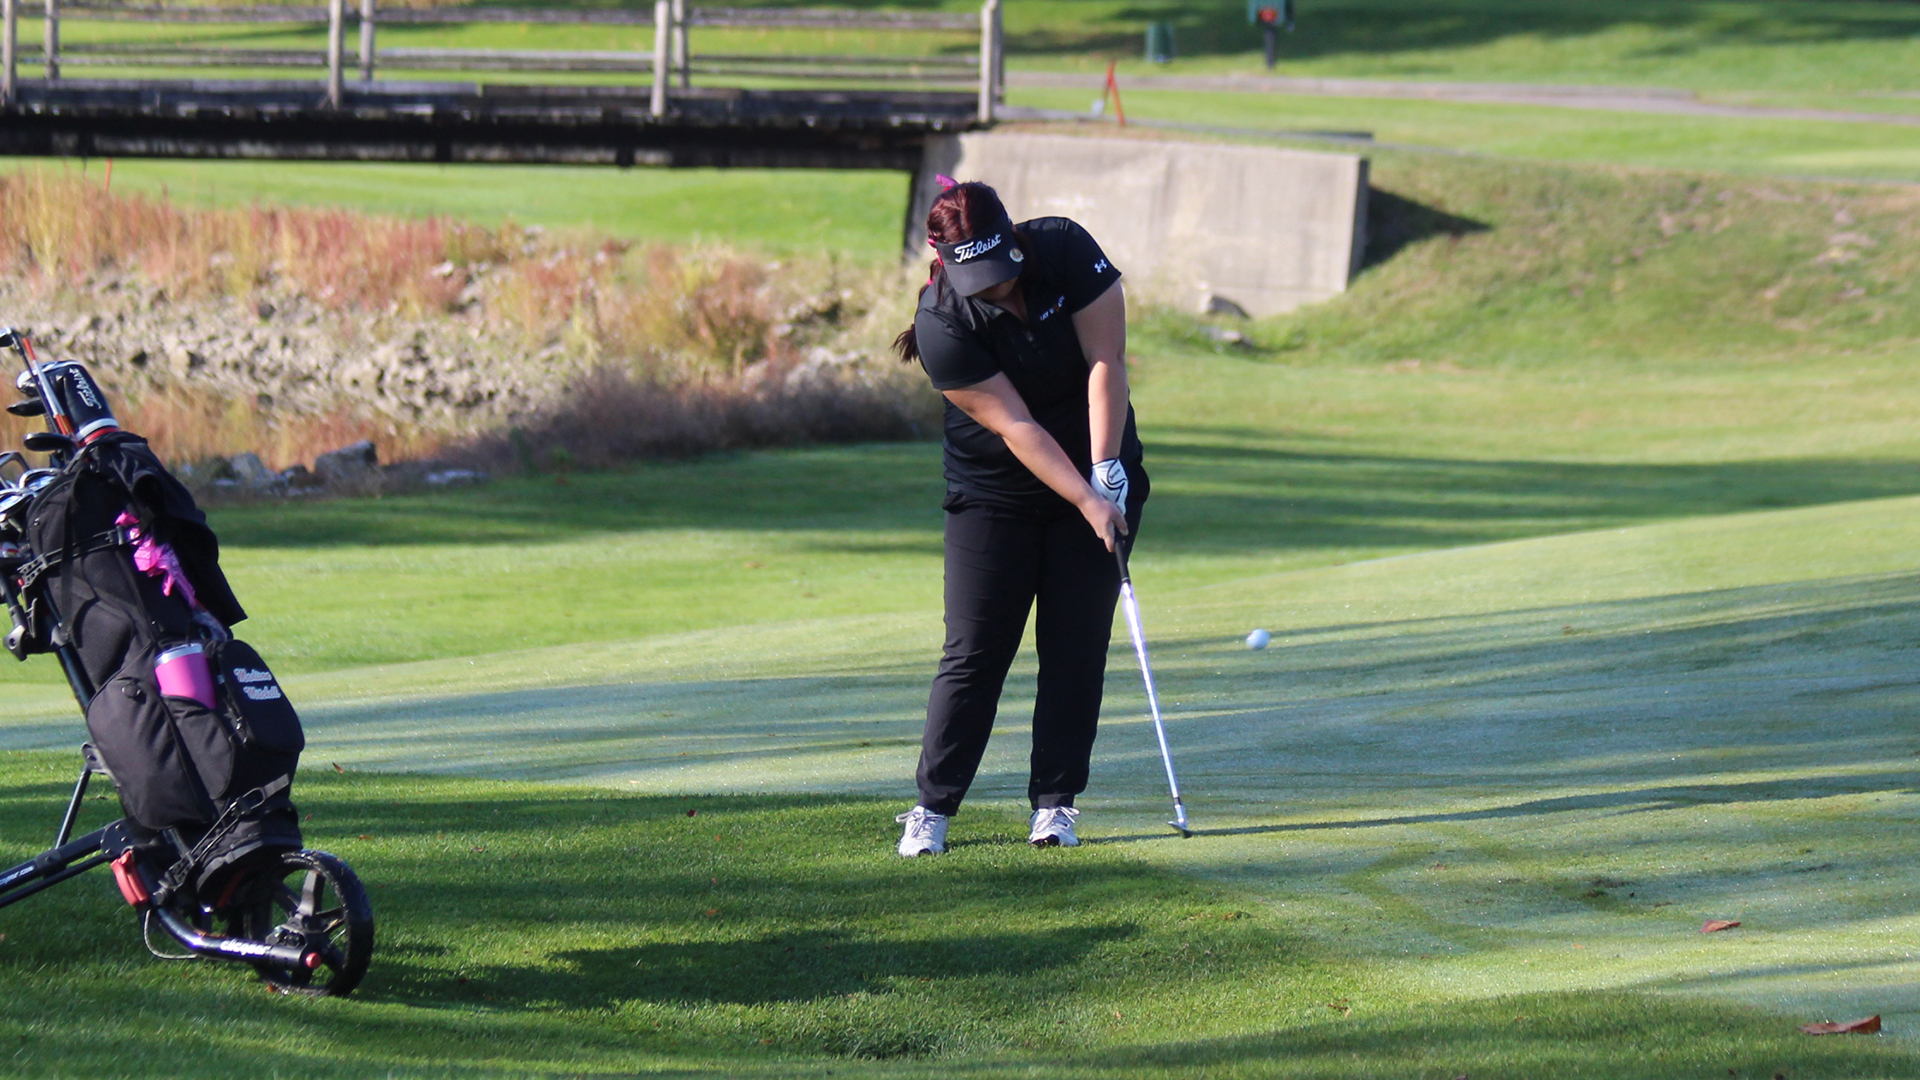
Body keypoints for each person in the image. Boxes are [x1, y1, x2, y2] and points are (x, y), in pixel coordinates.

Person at [890, 179, 1146, 856]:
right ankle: (933, 809)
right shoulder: (940, 322)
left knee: (1075, 645)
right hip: (993, 494)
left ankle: (1055, 806)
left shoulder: (1062, 247)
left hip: (1100, 460)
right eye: (980, 279)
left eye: (1003, 272)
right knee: (975, 651)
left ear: (1015, 239)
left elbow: (1106, 360)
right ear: (945, 262)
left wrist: (1108, 470)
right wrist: (1088, 497)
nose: (999, 290)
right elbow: (1017, 426)